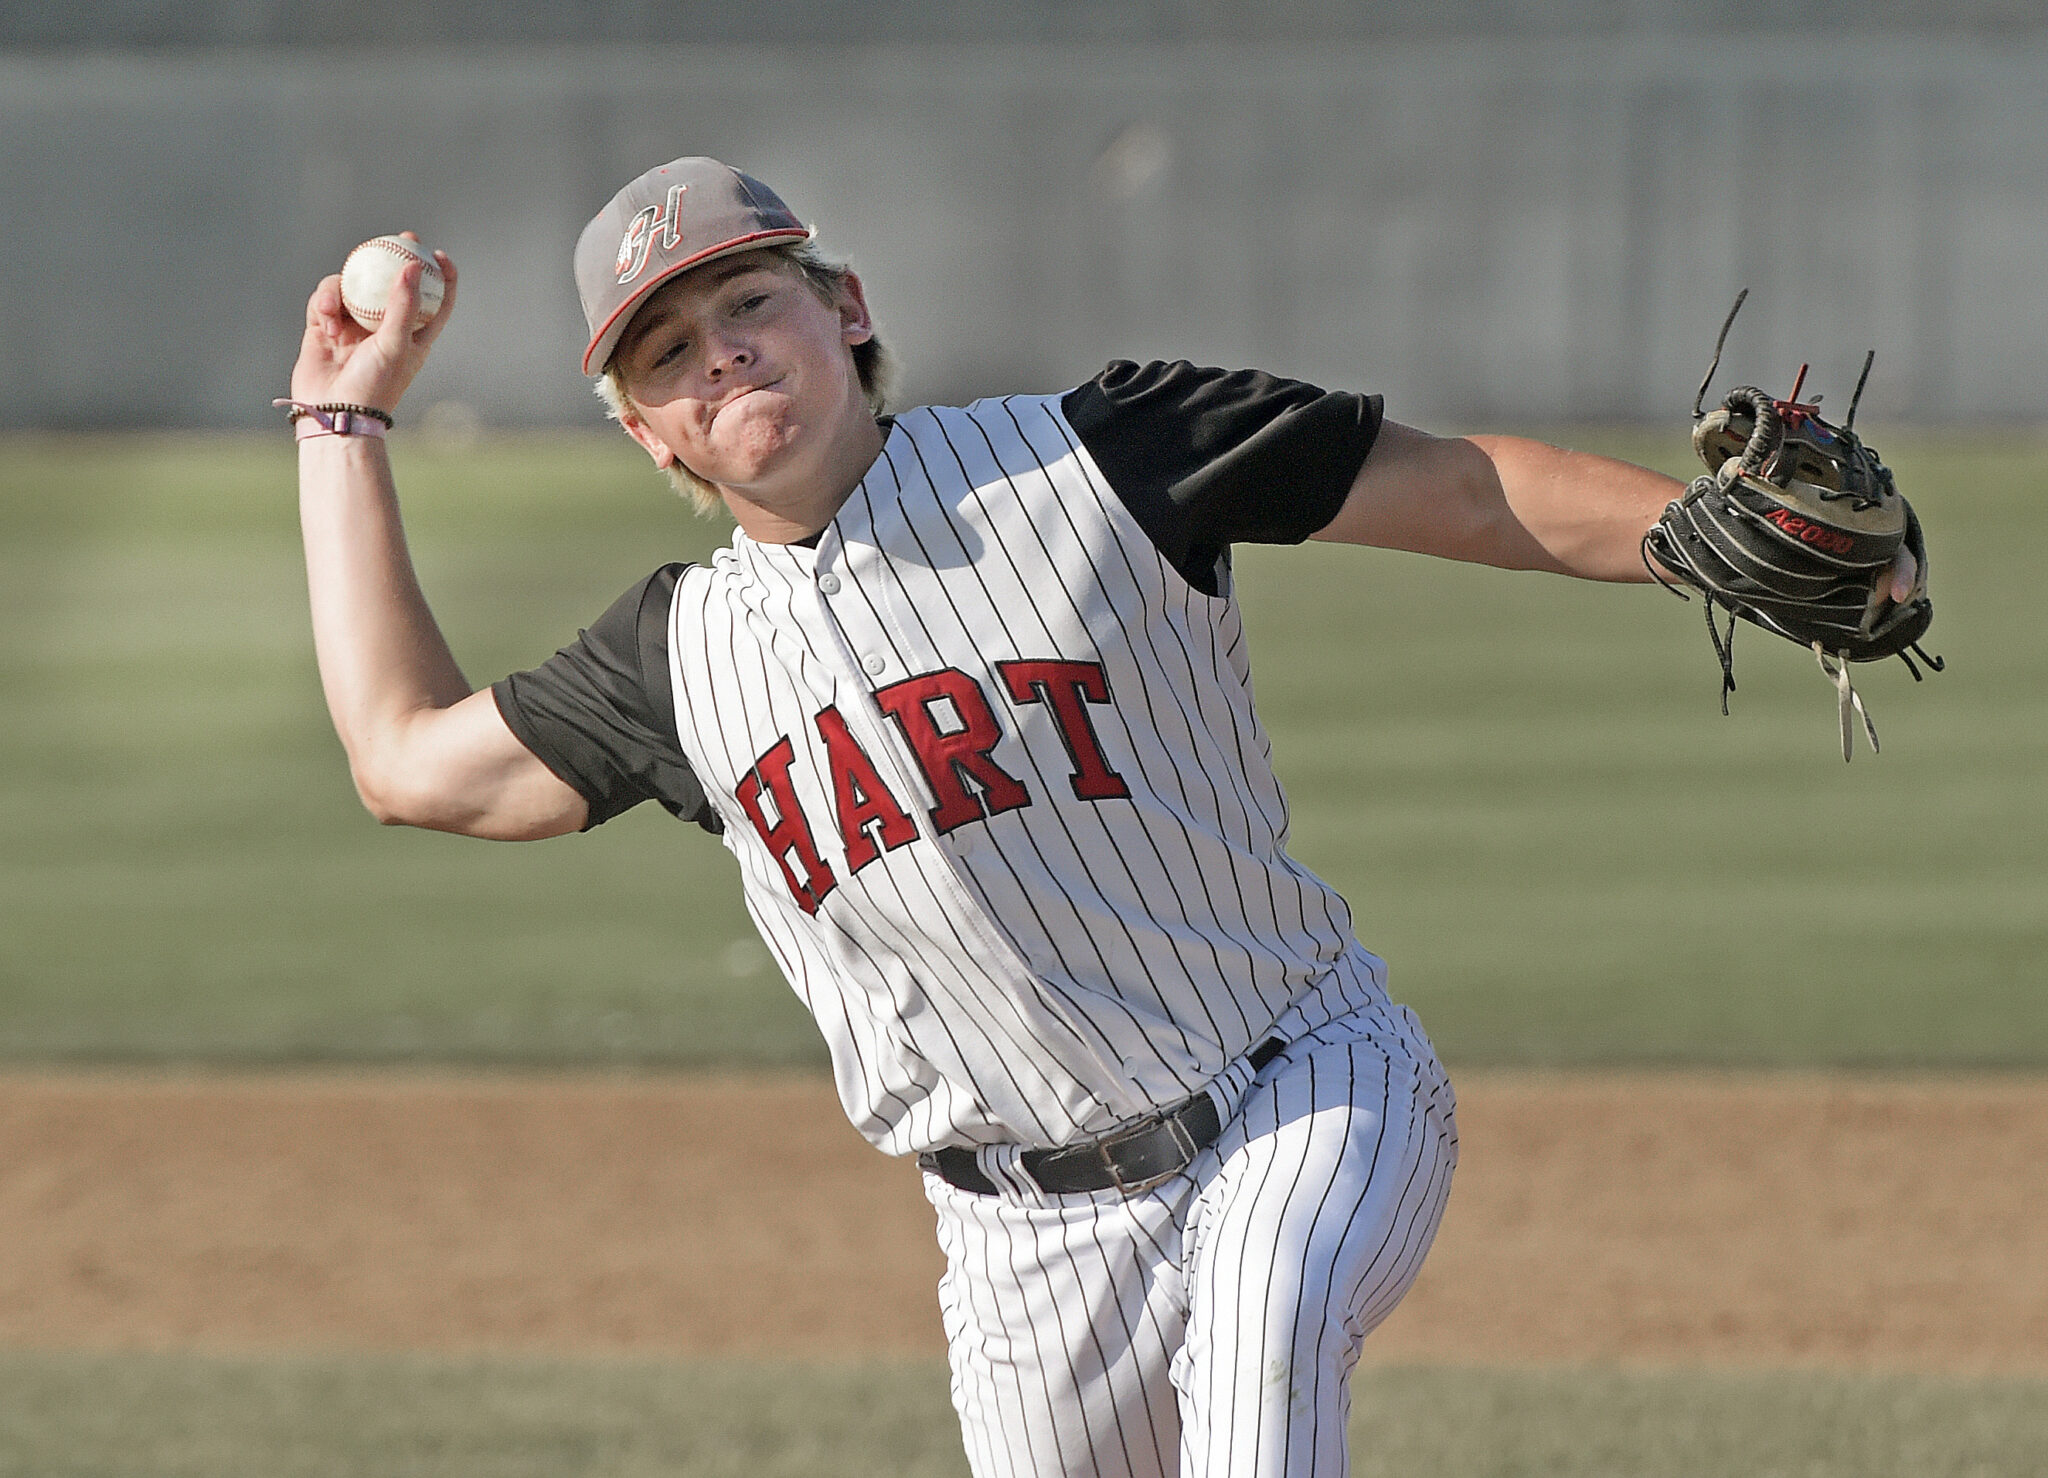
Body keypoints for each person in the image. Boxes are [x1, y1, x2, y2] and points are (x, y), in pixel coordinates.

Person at [282, 157, 1916, 1477]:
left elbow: (1458, 488)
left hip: (1299, 1085)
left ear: (844, 311)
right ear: (649, 432)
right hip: (1016, 1242)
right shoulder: (673, 662)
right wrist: (342, 427)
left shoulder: (1105, 449)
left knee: (1265, 1358)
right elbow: (407, 759)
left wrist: (1696, 538)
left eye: (749, 299)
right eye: (666, 353)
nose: (719, 351)